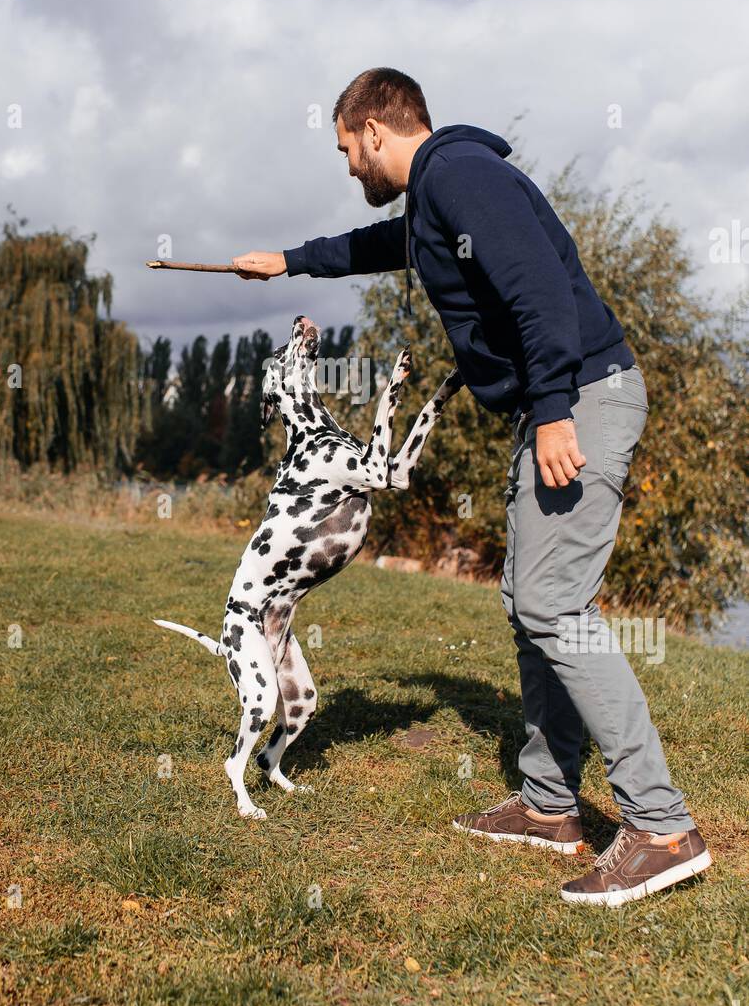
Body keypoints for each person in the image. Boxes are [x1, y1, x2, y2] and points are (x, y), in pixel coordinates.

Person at [233, 67, 710, 907]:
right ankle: (549, 804)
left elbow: (536, 291)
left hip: (581, 400)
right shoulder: (433, 201)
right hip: (556, 404)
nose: (348, 167)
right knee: (528, 603)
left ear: (376, 131)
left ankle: (660, 827)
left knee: (555, 604)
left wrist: (556, 411)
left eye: (346, 150)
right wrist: (289, 262)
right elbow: (382, 248)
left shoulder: (461, 175)